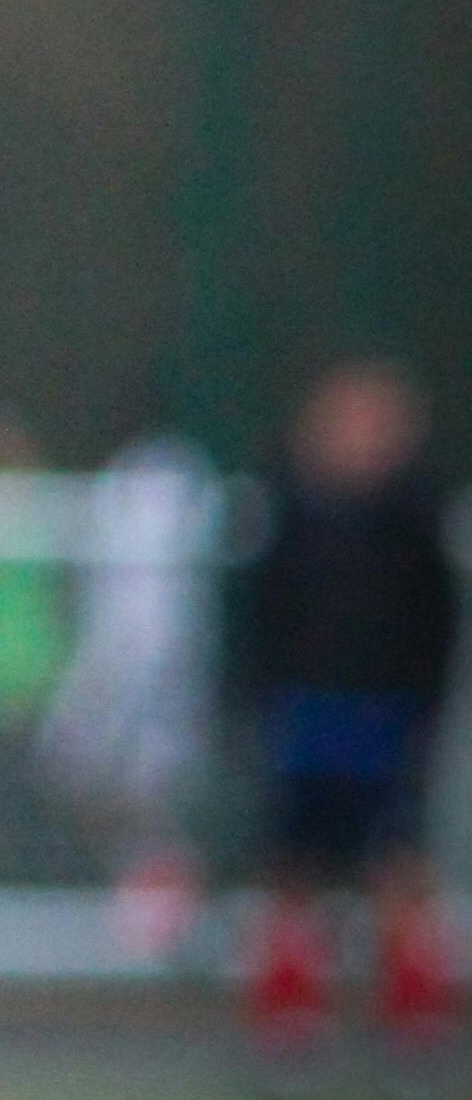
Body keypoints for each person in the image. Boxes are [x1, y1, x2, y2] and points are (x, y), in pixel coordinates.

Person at [228, 359, 461, 1049]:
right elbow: (256, 616)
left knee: (398, 871)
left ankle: (414, 1026)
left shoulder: (413, 518)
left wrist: (426, 707)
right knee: (293, 870)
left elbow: (436, 625)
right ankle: (290, 1024)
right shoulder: (289, 509)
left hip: (389, 716)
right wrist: (256, 696)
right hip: (304, 713)